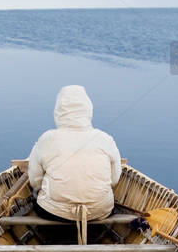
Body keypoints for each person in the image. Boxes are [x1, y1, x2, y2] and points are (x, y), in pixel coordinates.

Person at [27, 85, 122, 242]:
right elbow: (114, 180)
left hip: (53, 213)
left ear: (58, 112)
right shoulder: (105, 139)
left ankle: (53, 237)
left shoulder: (47, 139)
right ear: (88, 111)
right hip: (99, 212)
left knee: (35, 198)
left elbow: (34, 181)